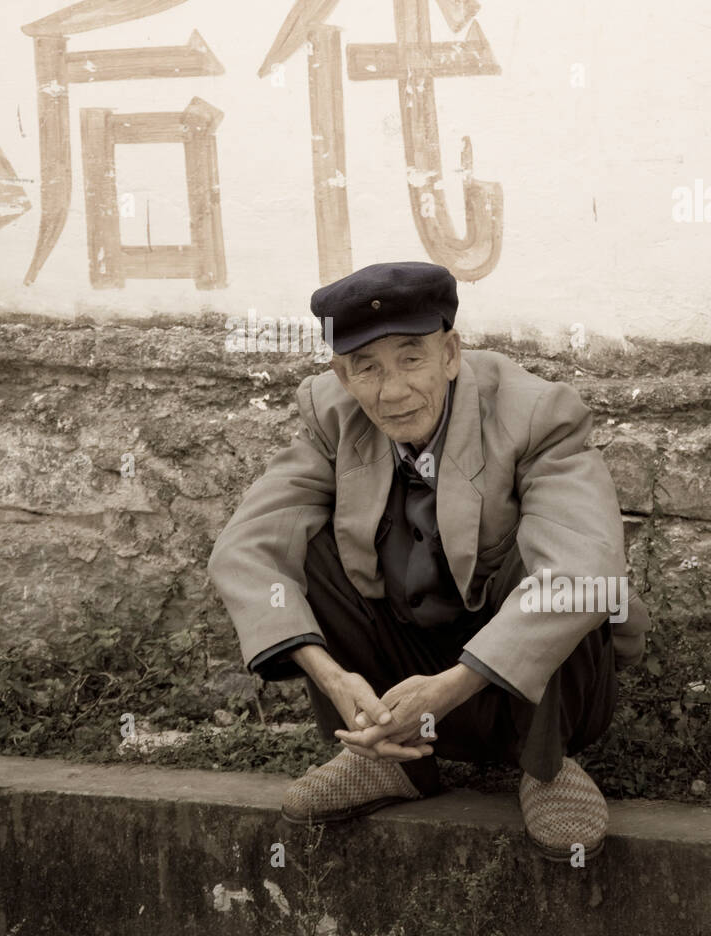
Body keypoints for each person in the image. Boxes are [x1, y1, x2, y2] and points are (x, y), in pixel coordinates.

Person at [208, 262, 650, 861]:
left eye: (411, 359)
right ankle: (389, 761)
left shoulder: (537, 414)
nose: (390, 392)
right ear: (342, 374)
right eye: (367, 368)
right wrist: (333, 678)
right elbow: (245, 549)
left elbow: (587, 572)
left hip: (531, 687)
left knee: (550, 570)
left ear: (450, 353)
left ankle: (548, 769)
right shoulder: (332, 416)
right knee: (300, 550)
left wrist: (449, 690)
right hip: (406, 671)